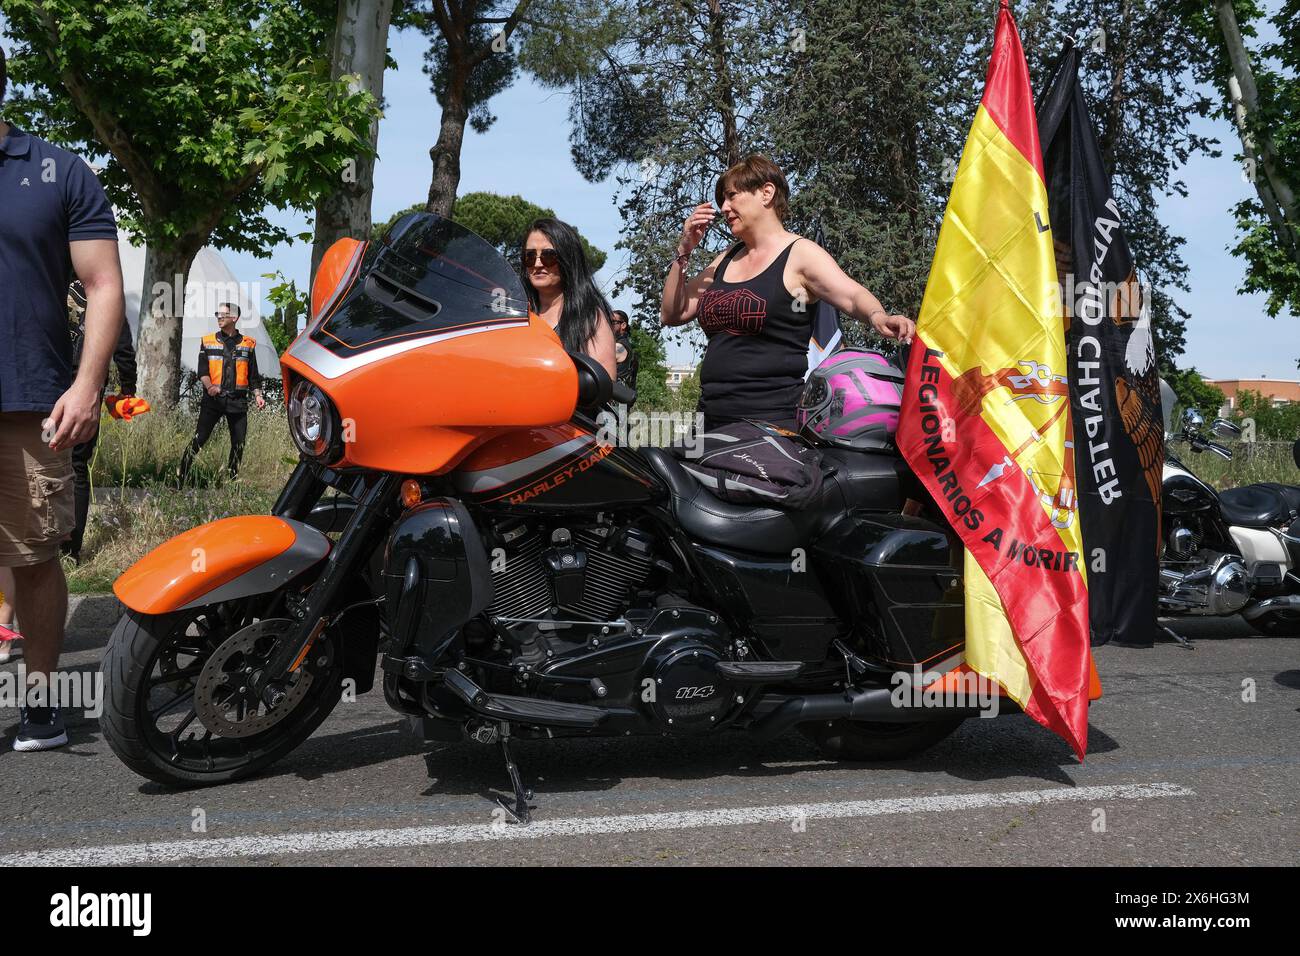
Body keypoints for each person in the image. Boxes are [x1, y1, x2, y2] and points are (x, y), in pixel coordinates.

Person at [0, 45, 126, 750]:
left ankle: (40, 702)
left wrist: (87, 384)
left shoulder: (58, 171)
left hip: (28, 401)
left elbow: (104, 283)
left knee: (32, 555)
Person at [660, 154, 915, 431]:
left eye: (732, 196)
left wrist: (878, 316)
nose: (724, 207)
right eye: (723, 200)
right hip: (708, 420)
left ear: (766, 193)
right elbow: (673, 313)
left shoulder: (800, 254)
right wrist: (684, 251)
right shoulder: (724, 259)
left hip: (770, 425)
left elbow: (852, 295)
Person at [64, 280, 137, 562]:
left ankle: (42, 545)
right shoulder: (109, 296)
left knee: (43, 461)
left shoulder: (55, 283)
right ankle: (71, 551)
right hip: (88, 387)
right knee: (77, 466)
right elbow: (124, 349)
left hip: (50, 382)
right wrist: (127, 389)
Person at [177, 302, 265, 484]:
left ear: (235, 318)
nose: (219, 317)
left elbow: (253, 375)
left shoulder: (248, 344)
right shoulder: (208, 341)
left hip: (237, 401)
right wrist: (210, 387)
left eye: (223, 314)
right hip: (213, 400)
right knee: (199, 438)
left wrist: (258, 394)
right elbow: (202, 371)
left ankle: (232, 483)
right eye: (218, 314)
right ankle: (180, 477)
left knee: (238, 444)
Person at [521, 218, 617, 380]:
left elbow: (604, 382)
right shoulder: (513, 313)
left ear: (567, 260)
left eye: (548, 256)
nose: (537, 264)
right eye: (530, 256)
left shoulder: (589, 318)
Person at [611, 310, 639, 394]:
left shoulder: (618, 347)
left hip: (615, 401)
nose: (608, 325)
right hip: (620, 398)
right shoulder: (626, 345)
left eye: (612, 322)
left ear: (623, 325)